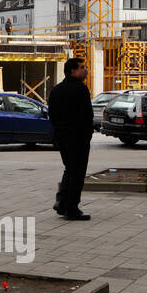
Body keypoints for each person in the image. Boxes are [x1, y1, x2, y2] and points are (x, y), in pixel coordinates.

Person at [48, 57, 93, 220]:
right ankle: (71, 208)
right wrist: (88, 134)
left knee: (70, 169)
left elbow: (51, 115)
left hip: (62, 137)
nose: (85, 70)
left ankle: (62, 202)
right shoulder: (80, 89)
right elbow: (87, 115)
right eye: (82, 67)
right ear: (73, 71)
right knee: (77, 173)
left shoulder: (56, 90)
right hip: (78, 138)